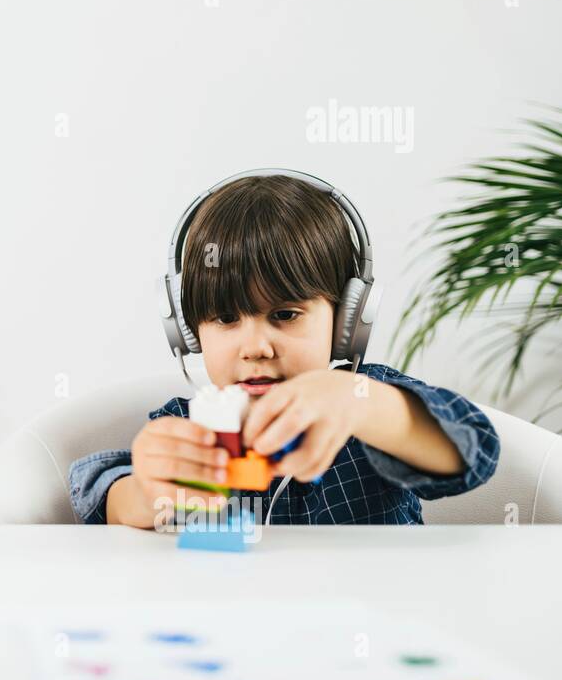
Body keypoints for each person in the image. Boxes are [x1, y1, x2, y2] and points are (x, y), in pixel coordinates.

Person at [68, 170, 499, 528]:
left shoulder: (368, 403)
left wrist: (362, 406)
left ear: (348, 321)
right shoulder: (188, 425)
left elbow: (474, 450)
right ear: (188, 331)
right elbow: (104, 493)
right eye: (225, 319)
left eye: (285, 314)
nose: (255, 347)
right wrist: (148, 492)